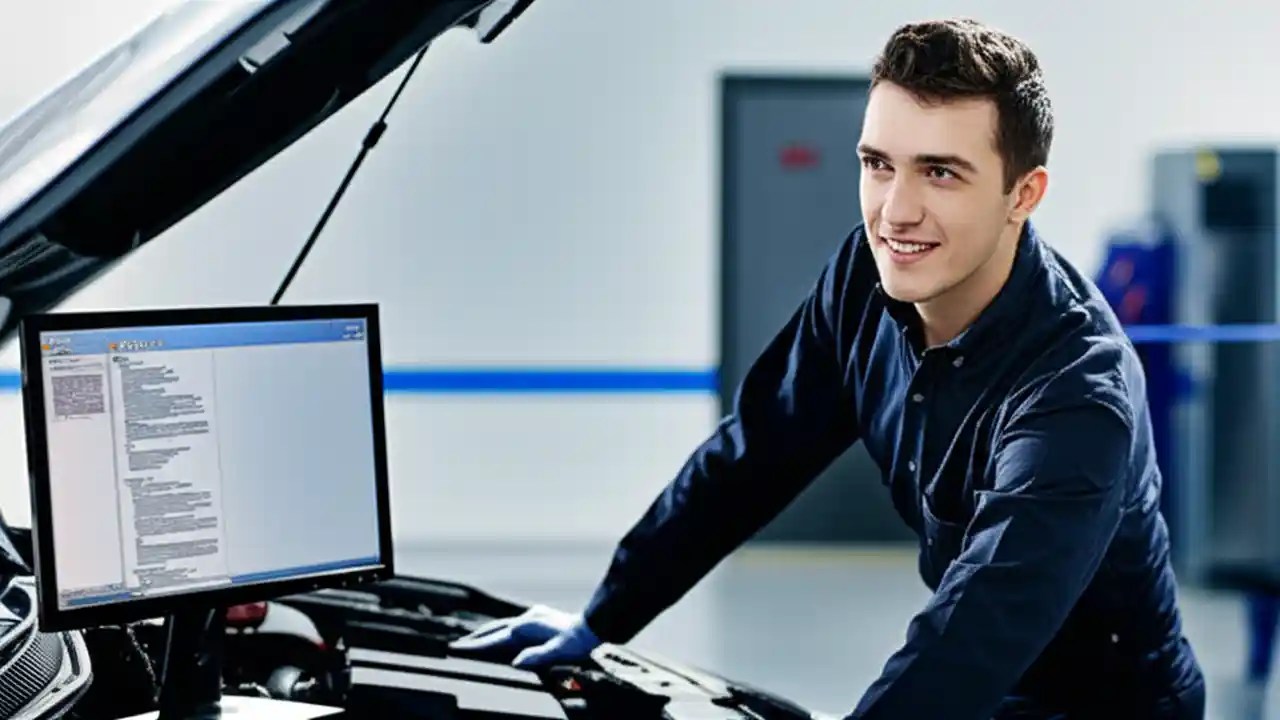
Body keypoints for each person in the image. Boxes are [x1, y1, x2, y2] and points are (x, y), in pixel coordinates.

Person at [450, 17, 1207, 719]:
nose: (895, 212)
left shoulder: (1075, 394)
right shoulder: (865, 277)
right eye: (879, 165)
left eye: (940, 173)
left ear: (1023, 194)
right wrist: (601, 617)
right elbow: (751, 456)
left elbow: (975, 628)